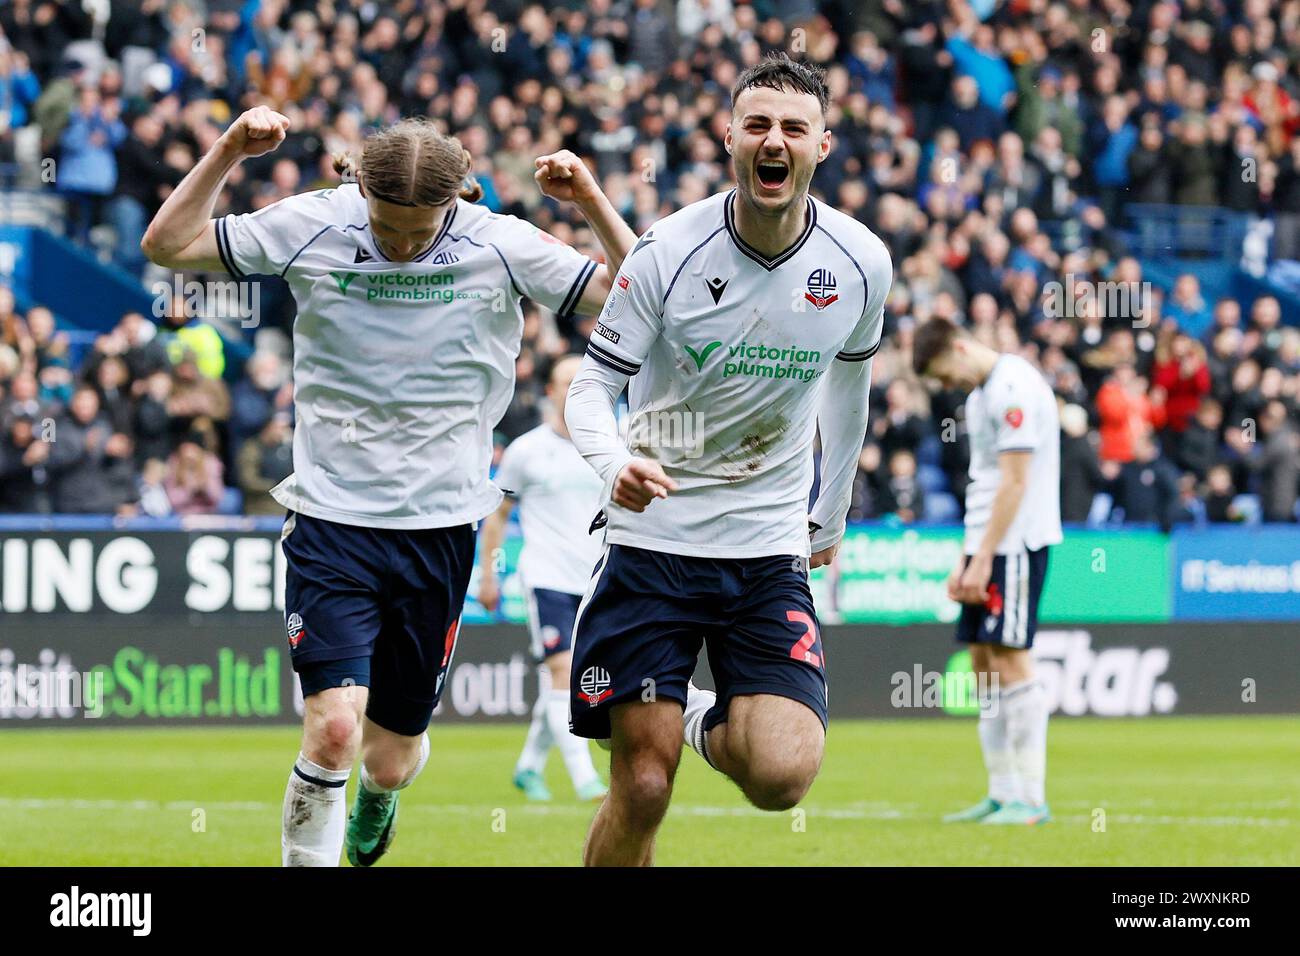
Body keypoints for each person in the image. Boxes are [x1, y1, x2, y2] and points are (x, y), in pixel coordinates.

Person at [141, 106, 636, 867]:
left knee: (391, 758)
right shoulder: (313, 222)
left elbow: (640, 297)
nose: (402, 244)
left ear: (458, 197)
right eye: (386, 225)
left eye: (421, 227)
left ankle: (382, 795)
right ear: (358, 191)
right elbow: (167, 244)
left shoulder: (498, 242)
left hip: (439, 532)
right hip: (331, 520)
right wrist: (230, 149)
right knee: (335, 728)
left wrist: (593, 201)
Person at [563, 54, 892, 866]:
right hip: (653, 545)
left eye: (791, 127)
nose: (772, 140)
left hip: (766, 548)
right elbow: (589, 388)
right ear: (729, 138)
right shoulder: (665, 250)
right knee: (643, 786)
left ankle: (697, 715)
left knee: (783, 775)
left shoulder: (860, 263)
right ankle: (665, 724)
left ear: (823, 145)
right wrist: (614, 468)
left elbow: (849, 395)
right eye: (756, 124)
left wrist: (833, 511)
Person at [912, 317, 1061, 826]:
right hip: (988, 543)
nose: (948, 386)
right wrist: (967, 556)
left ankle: (1031, 800)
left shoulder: (1014, 388)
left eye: (945, 374)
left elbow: (1015, 485)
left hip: (1018, 543)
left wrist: (985, 557)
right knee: (982, 662)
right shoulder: (980, 398)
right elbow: (984, 484)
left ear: (959, 346)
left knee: (1012, 658)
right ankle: (1001, 792)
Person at [477, 355, 608, 803]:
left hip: (595, 580)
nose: (575, 390)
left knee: (565, 680)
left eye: (582, 382)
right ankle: (585, 778)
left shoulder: (613, 443)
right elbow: (496, 518)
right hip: (547, 576)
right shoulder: (526, 451)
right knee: (564, 672)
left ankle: (529, 767)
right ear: (550, 391)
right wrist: (490, 576)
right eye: (566, 383)